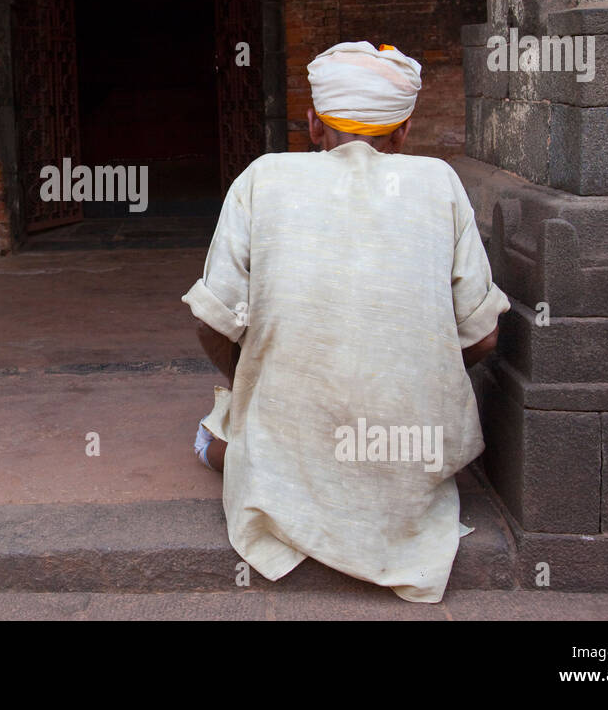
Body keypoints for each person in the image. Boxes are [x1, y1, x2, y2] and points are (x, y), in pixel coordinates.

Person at [183, 41, 509, 603]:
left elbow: (213, 321)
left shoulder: (264, 178)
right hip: (406, 450)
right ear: (403, 132)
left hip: (292, 433)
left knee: (208, 440)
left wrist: (251, 386)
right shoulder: (439, 183)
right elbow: (483, 337)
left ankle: (271, 468)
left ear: (312, 124)